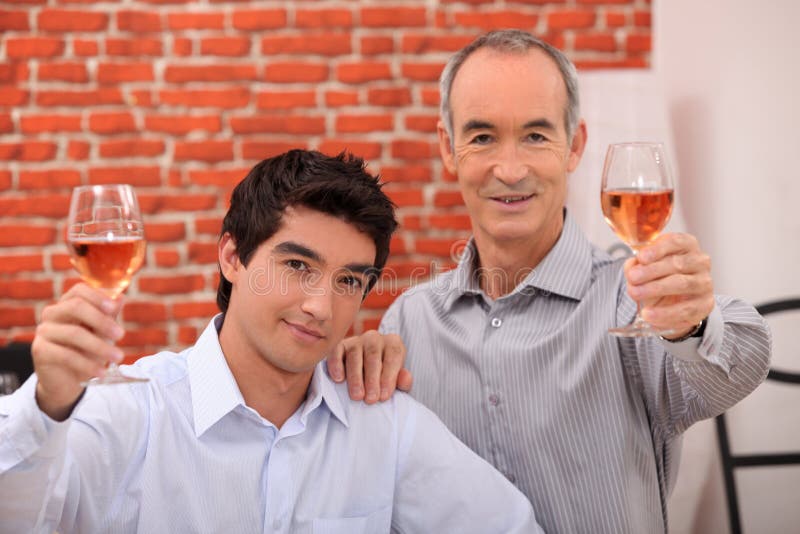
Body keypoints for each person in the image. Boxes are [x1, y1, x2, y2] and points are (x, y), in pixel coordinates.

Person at [327, 30, 772, 533]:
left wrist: (693, 323)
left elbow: (737, 365)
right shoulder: (408, 322)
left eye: (536, 136)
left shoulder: (633, 304)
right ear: (449, 149)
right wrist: (352, 376)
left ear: (574, 146)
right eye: (482, 137)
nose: (510, 169)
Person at [0, 150, 543, 533]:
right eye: (298, 266)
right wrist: (47, 404)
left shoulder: (384, 424)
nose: (321, 306)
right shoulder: (131, 413)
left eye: (348, 281)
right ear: (232, 257)